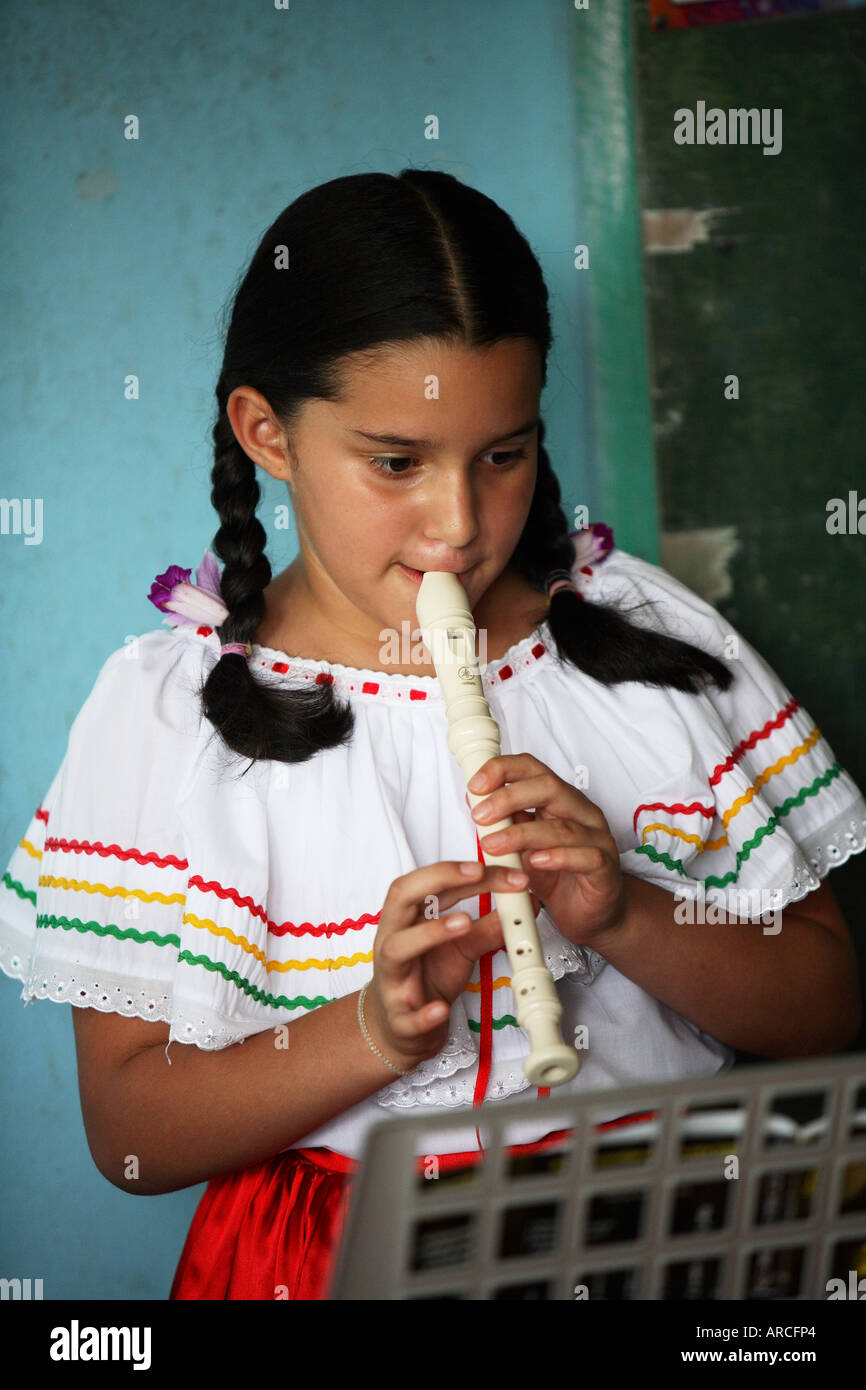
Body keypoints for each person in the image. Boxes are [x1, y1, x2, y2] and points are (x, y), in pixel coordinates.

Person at [1, 170, 863, 1302]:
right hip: (339, 1262)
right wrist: (368, 1031)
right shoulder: (167, 714)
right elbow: (130, 1136)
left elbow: (826, 1009)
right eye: (396, 462)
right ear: (265, 431)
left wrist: (625, 914)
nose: (458, 527)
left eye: (501, 454)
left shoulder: (641, 637)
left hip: (669, 1233)